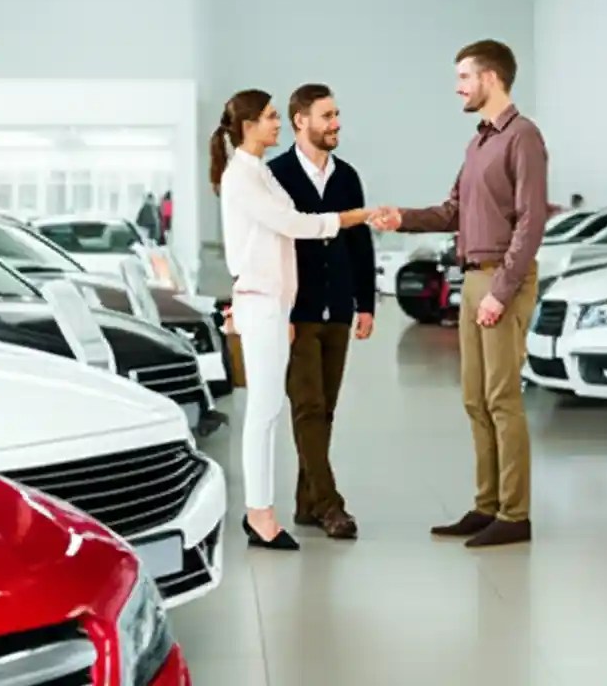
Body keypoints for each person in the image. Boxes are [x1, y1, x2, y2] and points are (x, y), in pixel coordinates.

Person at [370, 39, 549, 548]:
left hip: (501, 280)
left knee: (502, 398)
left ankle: (515, 514)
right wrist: (402, 218)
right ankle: (486, 504)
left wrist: (502, 288)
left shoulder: (524, 138)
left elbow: (532, 221)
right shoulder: (478, 143)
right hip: (471, 278)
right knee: (474, 397)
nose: (458, 88)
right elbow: (452, 210)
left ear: (490, 77)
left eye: (464, 78)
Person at [210, 88, 371, 551]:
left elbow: (289, 219)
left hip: (275, 304)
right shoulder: (242, 176)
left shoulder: (260, 173)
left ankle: (269, 510)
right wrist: (352, 217)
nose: (276, 124)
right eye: (269, 117)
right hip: (261, 302)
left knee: (271, 410)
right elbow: (296, 224)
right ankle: (259, 515)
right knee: (263, 412)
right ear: (247, 126)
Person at [267, 83, 374, 540]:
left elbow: (359, 240)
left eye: (337, 115)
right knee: (307, 407)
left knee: (324, 409)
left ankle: (305, 503)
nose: (336, 124)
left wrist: (365, 303)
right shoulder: (276, 176)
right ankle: (331, 506)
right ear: (300, 121)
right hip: (297, 311)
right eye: (327, 116)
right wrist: (280, 310)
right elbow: (271, 246)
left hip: (339, 312)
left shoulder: (346, 175)